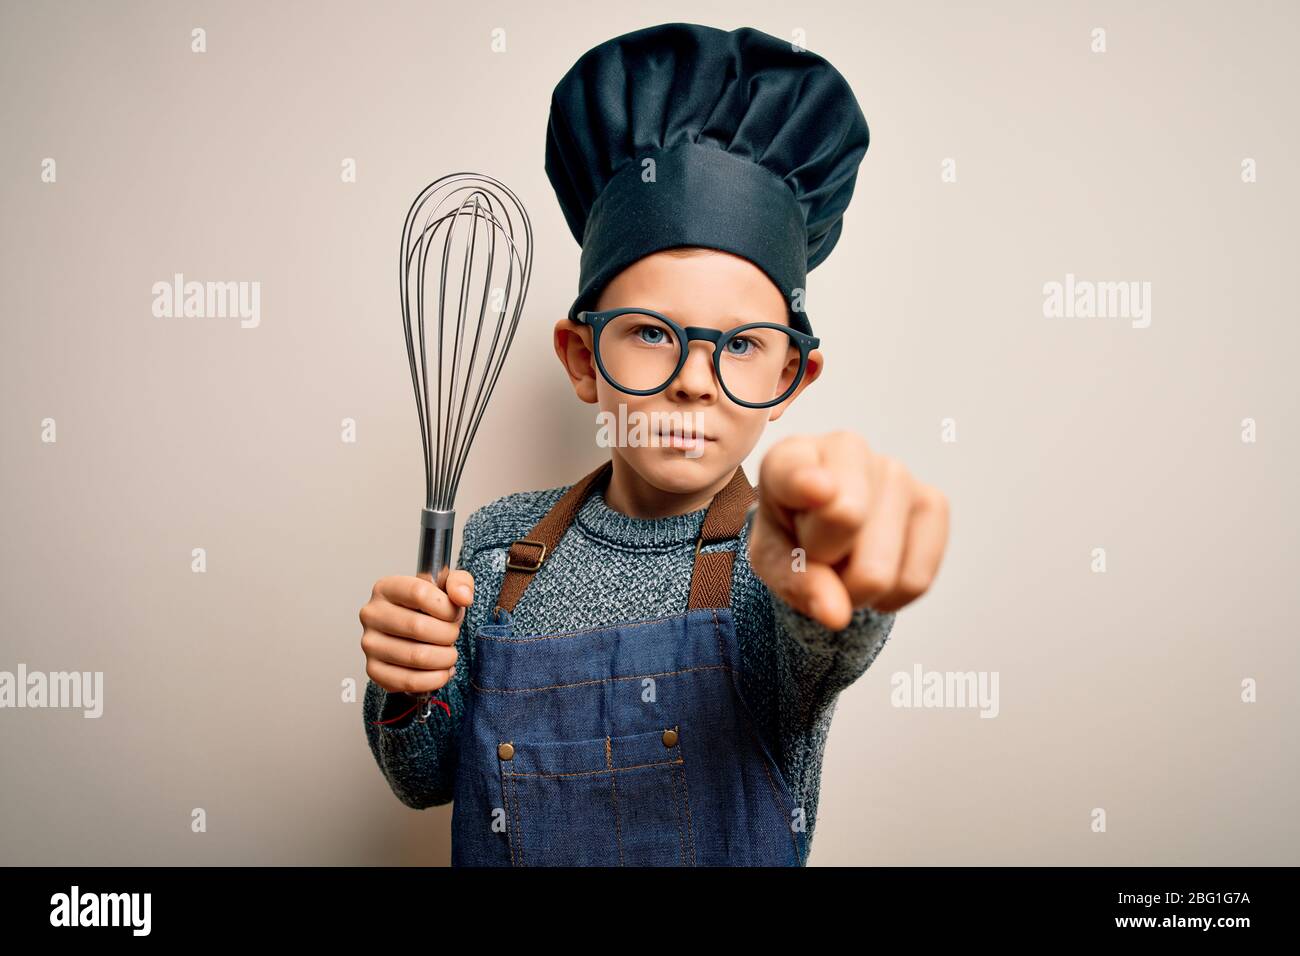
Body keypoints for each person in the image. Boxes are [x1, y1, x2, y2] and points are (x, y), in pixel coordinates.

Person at [360, 22, 949, 866]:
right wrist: (403, 683)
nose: (694, 381)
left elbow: (824, 630)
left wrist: (841, 570)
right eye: (650, 332)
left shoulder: (770, 566)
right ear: (581, 358)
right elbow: (422, 780)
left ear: (792, 377)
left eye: (740, 345)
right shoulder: (496, 550)